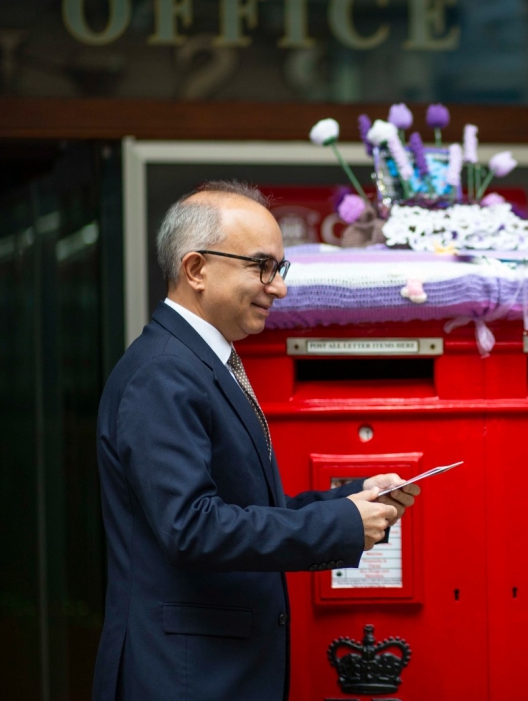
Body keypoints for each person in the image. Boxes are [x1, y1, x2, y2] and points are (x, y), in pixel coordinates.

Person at [92, 181, 420, 701]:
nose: (279, 287)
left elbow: (243, 508)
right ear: (196, 269)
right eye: (261, 267)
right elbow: (191, 527)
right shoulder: (161, 373)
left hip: (217, 669)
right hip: (185, 677)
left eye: (279, 269)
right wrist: (338, 525)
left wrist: (351, 500)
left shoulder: (198, 363)